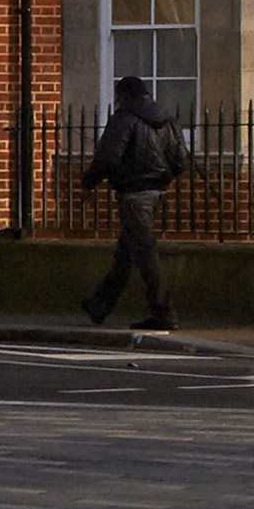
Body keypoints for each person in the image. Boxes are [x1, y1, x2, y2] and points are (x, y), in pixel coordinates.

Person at [81, 72, 185, 330]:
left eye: (118, 97)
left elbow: (108, 158)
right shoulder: (168, 119)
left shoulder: (124, 119)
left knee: (145, 253)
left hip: (134, 194)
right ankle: (100, 304)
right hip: (158, 193)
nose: (116, 102)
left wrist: (89, 181)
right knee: (126, 253)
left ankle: (163, 312)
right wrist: (163, 177)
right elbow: (181, 160)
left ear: (124, 96)